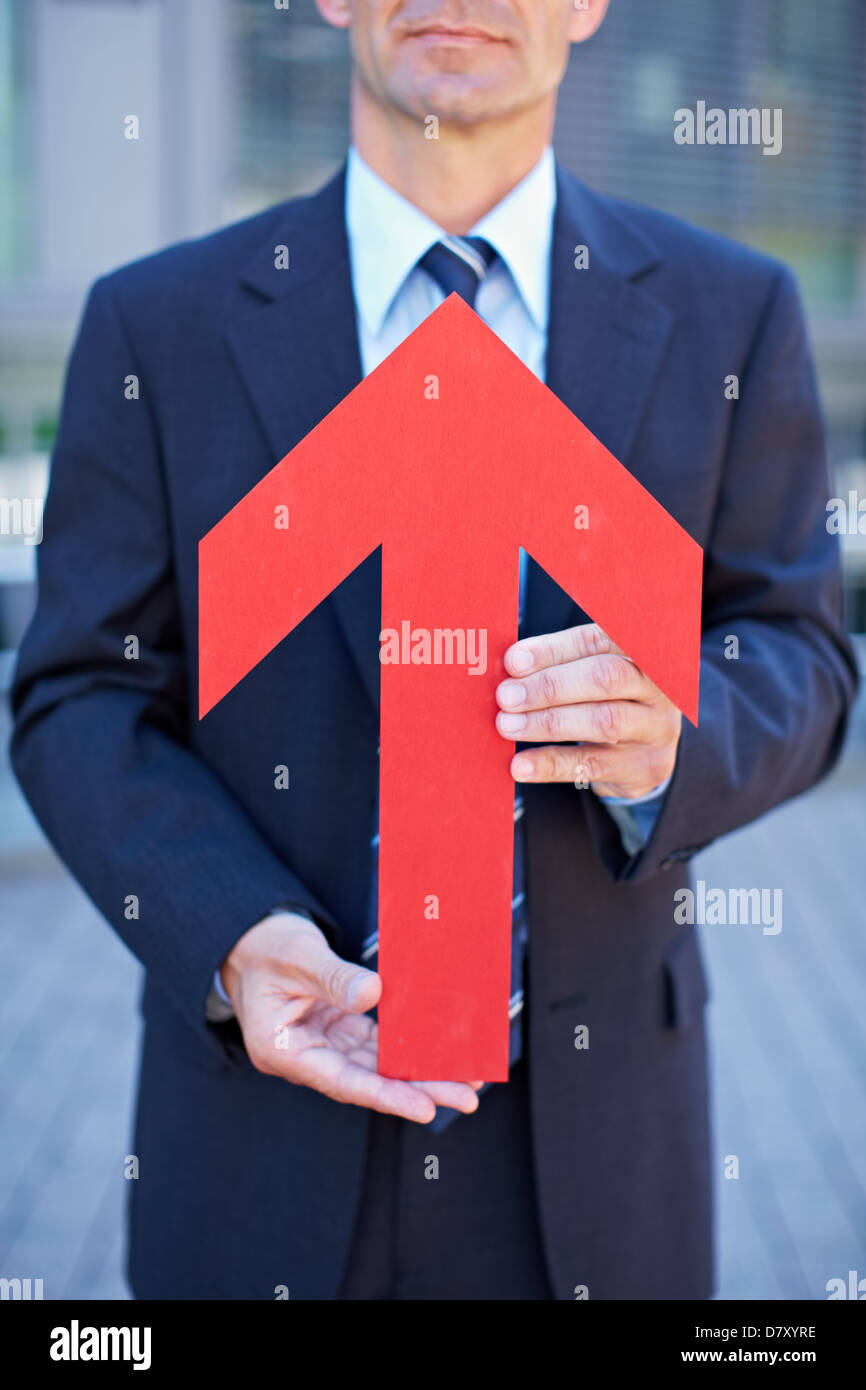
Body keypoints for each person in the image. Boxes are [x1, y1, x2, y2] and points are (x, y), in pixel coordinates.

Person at [10, 0, 857, 1300]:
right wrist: (227, 935)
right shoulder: (156, 326)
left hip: (591, 1151)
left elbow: (796, 648)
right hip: (257, 1133)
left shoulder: (728, 315)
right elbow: (80, 692)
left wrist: (672, 739)